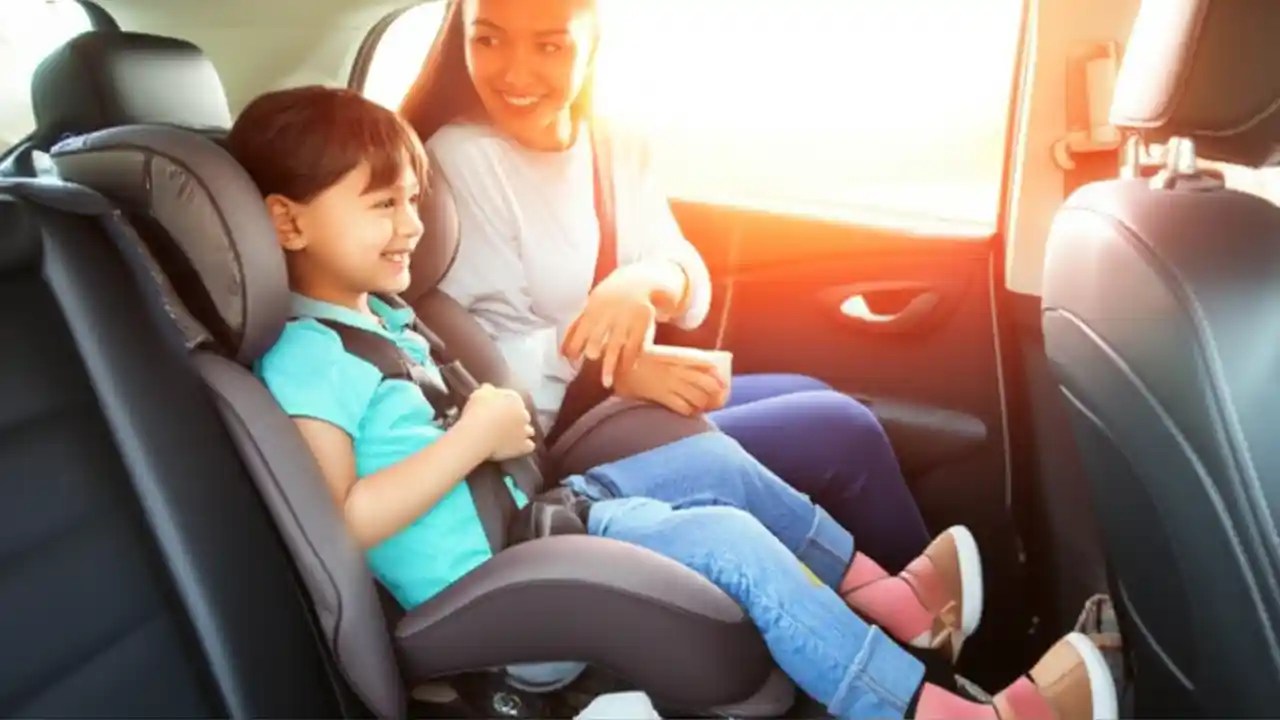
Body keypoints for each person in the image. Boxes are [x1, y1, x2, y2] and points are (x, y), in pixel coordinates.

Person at [227, 85, 1116, 720]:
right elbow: (337, 523)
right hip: (495, 592)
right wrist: (473, 440)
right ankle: (926, 712)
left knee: (712, 462)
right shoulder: (309, 360)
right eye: (383, 205)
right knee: (723, 541)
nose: (413, 225)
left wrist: (491, 430)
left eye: (414, 199)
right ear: (288, 222)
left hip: (532, 520)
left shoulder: (381, 312)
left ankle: (888, 599)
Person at [398, 0, 930, 571]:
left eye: (549, 45)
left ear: (593, 44)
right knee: (840, 432)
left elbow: (686, 275)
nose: (515, 73)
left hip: (615, 401)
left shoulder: (614, 144)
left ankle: (896, 609)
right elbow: (476, 356)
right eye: (488, 40)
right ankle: (923, 625)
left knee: (814, 391)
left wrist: (640, 283)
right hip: (548, 433)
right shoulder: (463, 159)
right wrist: (617, 367)